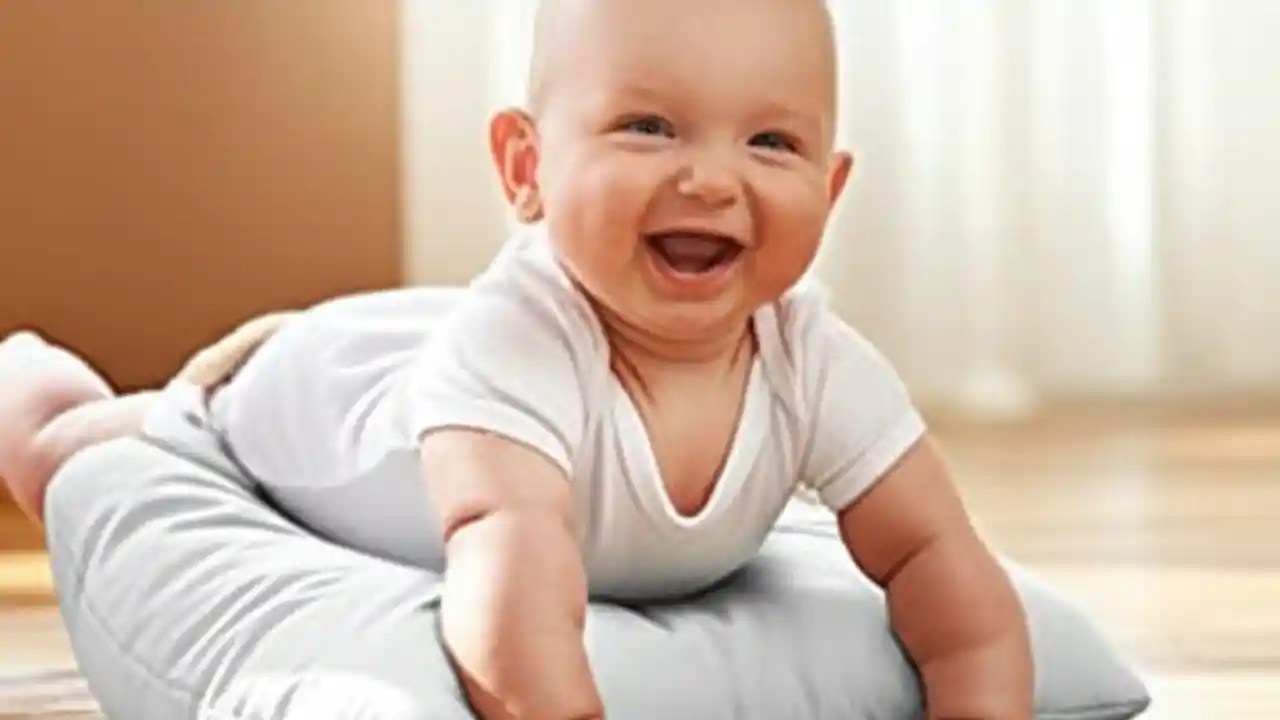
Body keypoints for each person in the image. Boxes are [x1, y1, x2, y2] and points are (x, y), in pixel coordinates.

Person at [0, 0, 1034, 717]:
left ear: (831, 184)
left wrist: (980, 698)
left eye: (771, 144)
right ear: (526, 167)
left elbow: (935, 553)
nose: (713, 179)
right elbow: (511, 607)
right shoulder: (514, 352)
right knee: (79, 446)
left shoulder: (812, 358)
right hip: (321, 404)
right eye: (647, 126)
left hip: (442, 339)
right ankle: (24, 377)